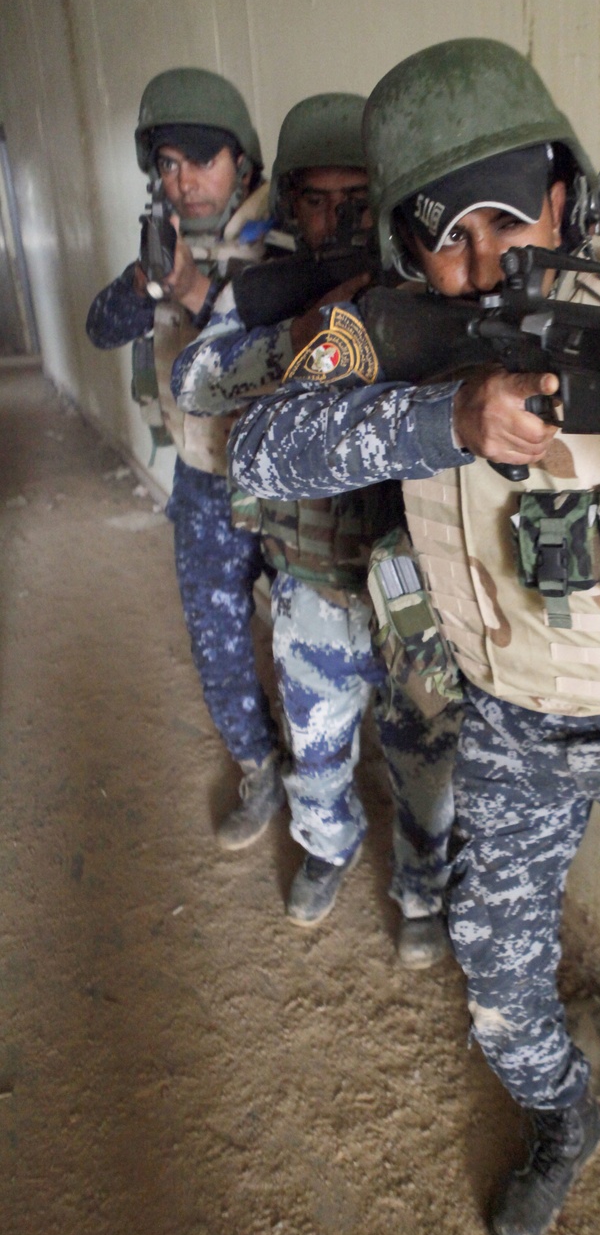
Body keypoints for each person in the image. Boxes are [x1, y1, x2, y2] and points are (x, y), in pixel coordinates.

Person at [227, 39, 600, 1235]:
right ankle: (563, 1118)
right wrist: (445, 415)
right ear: (405, 243)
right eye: (447, 233)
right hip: (509, 726)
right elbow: (257, 450)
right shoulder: (383, 334)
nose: (487, 258)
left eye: (510, 217)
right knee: (497, 979)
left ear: (564, 197)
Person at [171, 94, 458, 966]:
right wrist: (302, 334)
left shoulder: (431, 275)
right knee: (319, 748)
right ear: (290, 201)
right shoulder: (269, 290)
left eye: (357, 199)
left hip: (415, 585)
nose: (337, 220)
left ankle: (421, 890)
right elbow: (195, 380)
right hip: (311, 580)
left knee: (425, 759)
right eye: (317, 200)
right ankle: (328, 849)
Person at [86, 68, 283, 850]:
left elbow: (283, 348)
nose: (185, 179)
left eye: (203, 159)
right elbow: (102, 327)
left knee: (320, 647)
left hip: (288, 488)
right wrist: (147, 283)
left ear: (243, 162)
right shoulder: (163, 249)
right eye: (169, 163)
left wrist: (200, 293)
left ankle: (324, 791)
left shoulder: (287, 240)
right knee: (218, 641)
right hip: (203, 483)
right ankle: (260, 766)